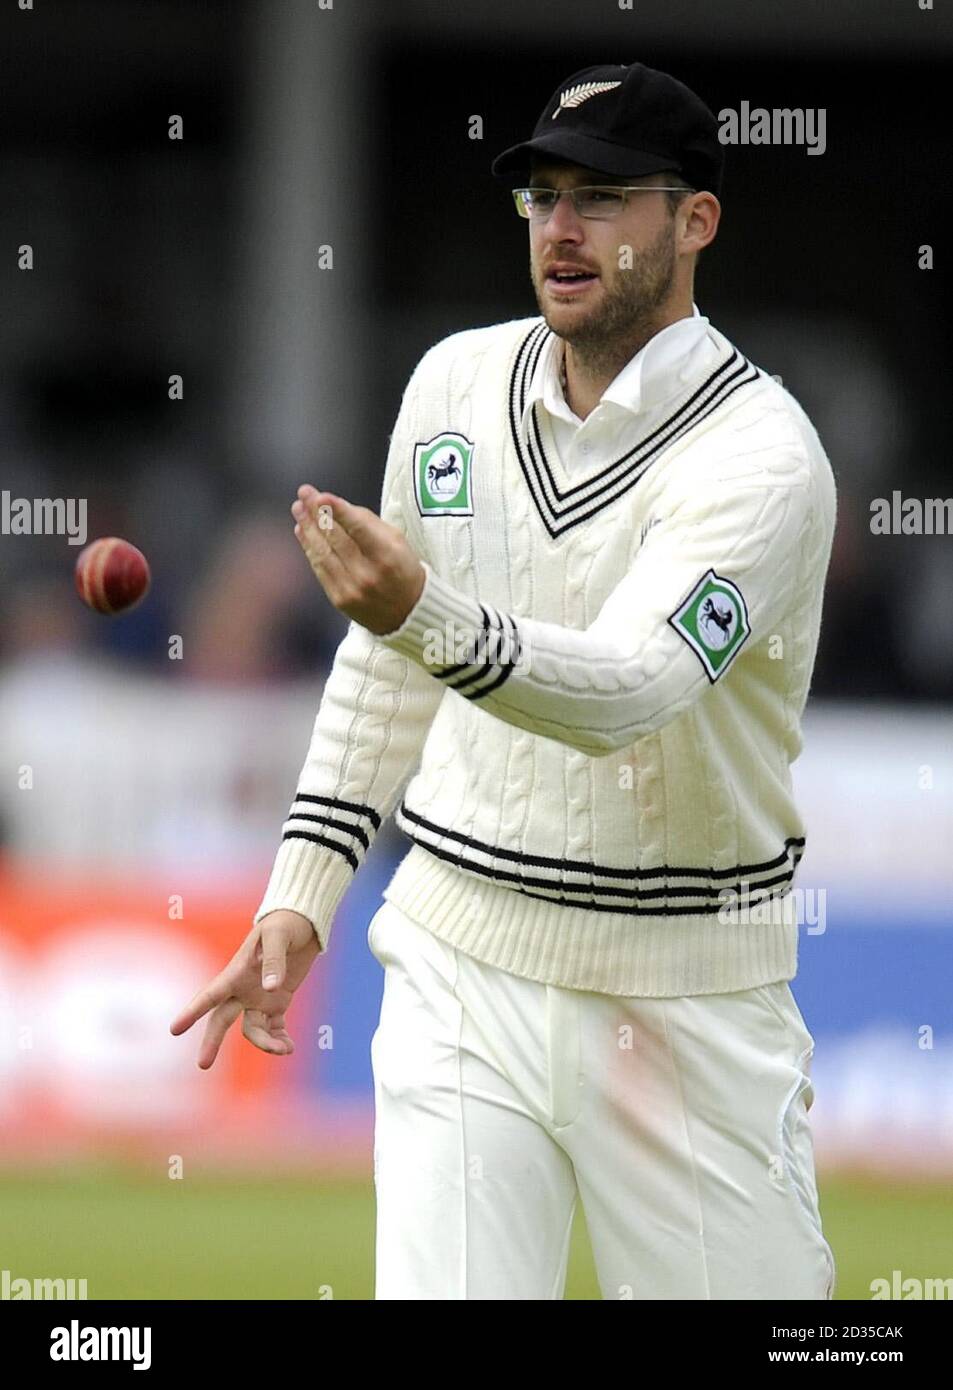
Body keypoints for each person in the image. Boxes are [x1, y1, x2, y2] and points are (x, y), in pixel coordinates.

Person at [171, 61, 837, 1301]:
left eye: (602, 197)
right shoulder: (452, 385)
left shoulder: (762, 458)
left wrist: (420, 612)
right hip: (455, 961)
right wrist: (299, 894)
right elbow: (386, 665)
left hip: (683, 995)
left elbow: (632, 684)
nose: (560, 227)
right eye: (539, 196)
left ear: (694, 221)